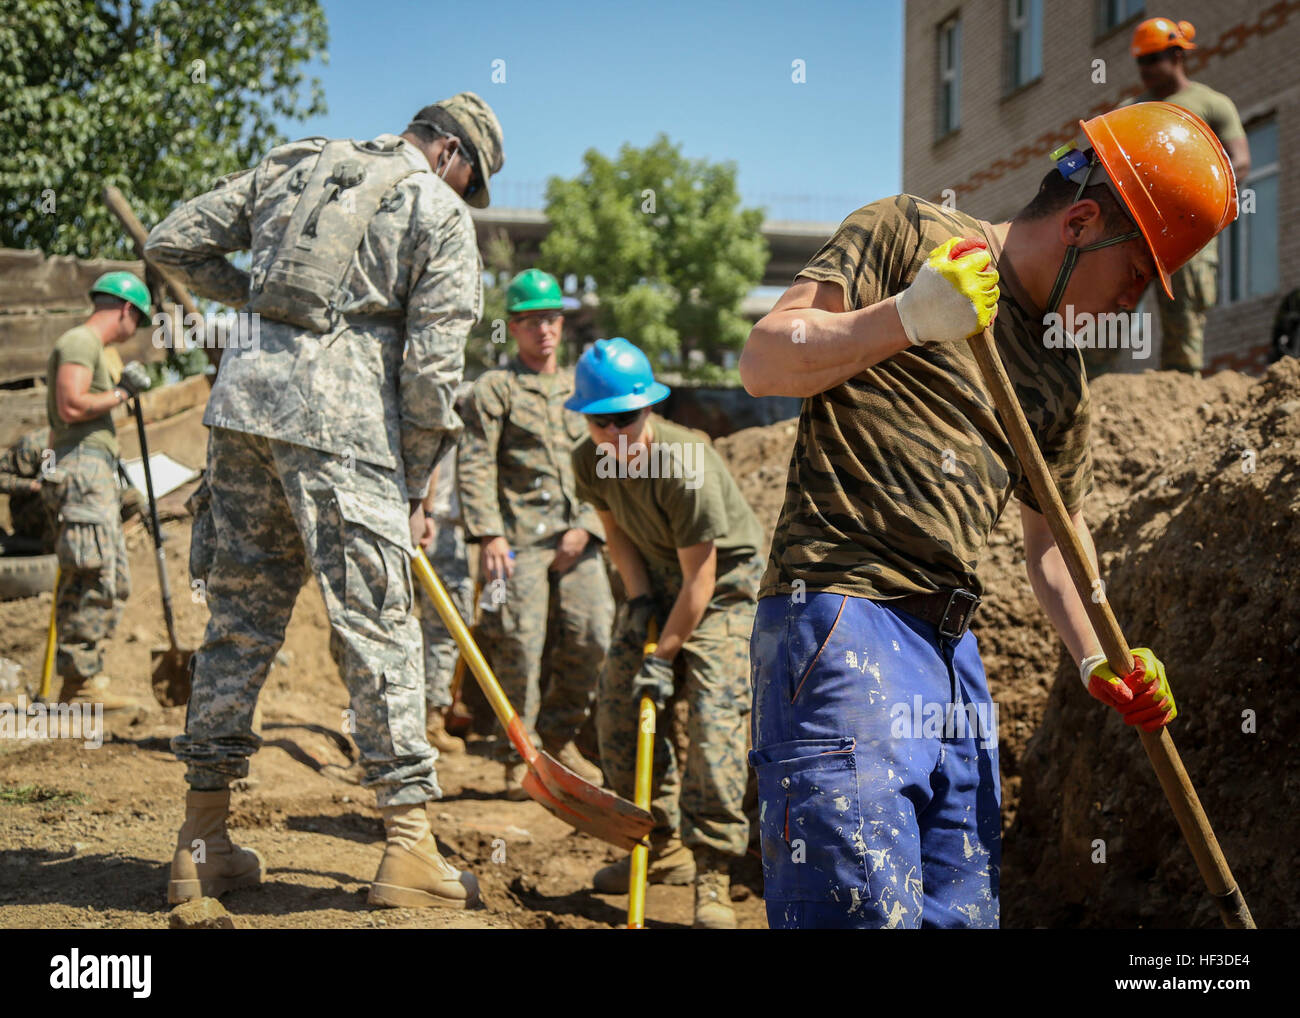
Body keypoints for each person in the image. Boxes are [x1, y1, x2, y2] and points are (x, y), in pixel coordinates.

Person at [739, 102, 1236, 929]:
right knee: (858, 911)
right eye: (1137, 278)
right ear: (1081, 222)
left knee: (962, 917)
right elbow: (764, 360)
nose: (1135, 306)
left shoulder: (1064, 379)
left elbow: (1052, 549)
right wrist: (904, 318)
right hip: (843, 613)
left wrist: (1097, 658)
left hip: (952, 655)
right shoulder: (909, 235)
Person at [146, 92, 504, 910]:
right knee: (377, 627)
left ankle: (200, 843)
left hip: (241, 410)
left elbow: (172, 237)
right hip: (345, 432)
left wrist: (261, 303)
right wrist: (418, 482)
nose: (464, 191)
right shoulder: (437, 213)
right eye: (470, 176)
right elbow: (431, 370)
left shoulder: (296, 161)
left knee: (236, 621)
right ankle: (410, 849)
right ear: (449, 151)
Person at [568, 337, 764, 929]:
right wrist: (639, 606)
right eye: (601, 422)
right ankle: (662, 846)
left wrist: (668, 652)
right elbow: (617, 536)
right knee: (616, 711)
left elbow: (701, 581)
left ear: (649, 407)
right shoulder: (589, 460)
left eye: (626, 419)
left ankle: (713, 872)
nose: (615, 435)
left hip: (723, 592)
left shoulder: (687, 464)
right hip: (656, 583)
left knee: (712, 716)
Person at [458, 269, 613, 798]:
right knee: (518, 641)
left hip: (578, 536)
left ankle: (558, 737)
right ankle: (515, 756)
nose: (542, 330)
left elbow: (604, 459)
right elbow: (476, 464)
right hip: (517, 539)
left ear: (561, 323)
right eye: (529, 322)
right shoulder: (493, 389)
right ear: (513, 328)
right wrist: (489, 535)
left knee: (593, 632)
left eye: (550, 319)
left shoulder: (582, 388)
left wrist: (590, 526)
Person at [1115, 16, 1251, 375]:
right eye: (1140, 61)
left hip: (1190, 234)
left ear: (1177, 55)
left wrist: (1203, 207)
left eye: (1152, 59)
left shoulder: (1210, 103)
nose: (1144, 70)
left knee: (1185, 323)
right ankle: (1093, 387)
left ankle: (1181, 387)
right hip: (1138, 232)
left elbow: (1240, 162)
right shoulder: (1132, 109)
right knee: (1109, 312)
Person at [43, 272, 153, 712]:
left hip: (91, 470)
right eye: (138, 322)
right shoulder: (81, 342)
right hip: (84, 471)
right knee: (94, 575)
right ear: (127, 310)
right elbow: (71, 405)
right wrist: (123, 393)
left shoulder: (89, 348)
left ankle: (83, 680)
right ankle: (80, 684)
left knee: (107, 575)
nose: (135, 332)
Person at [417, 382, 474, 755]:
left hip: (440, 526)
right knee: (444, 627)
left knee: (442, 627)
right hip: (434, 526)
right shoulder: (439, 410)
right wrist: (426, 509)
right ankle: (426, 722)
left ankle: (429, 717)